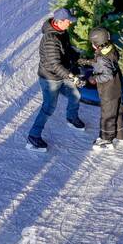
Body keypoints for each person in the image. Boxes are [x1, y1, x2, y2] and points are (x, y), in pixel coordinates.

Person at [26, 8, 85, 151]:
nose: (70, 24)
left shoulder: (61, 32)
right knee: (48, 108)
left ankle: (71, 117)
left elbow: (67, 49)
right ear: (59, 21)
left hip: (63, 73)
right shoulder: (50, 40)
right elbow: (55, 65)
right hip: (50, 78)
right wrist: (72, 77)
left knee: (75, 95)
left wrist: (79, 58)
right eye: (68, 21)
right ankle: (33, 137)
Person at [86, 28, 123, 150]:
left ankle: (106, 139)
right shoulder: (111, 49)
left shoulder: (101, 58)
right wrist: (89, 62)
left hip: (108, 91)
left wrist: (94, 79)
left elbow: (107, 74)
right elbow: (107, 65)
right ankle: (121, 135)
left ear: (96, 44)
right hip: (117, 86)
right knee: (117, 110)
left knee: (107, 114)